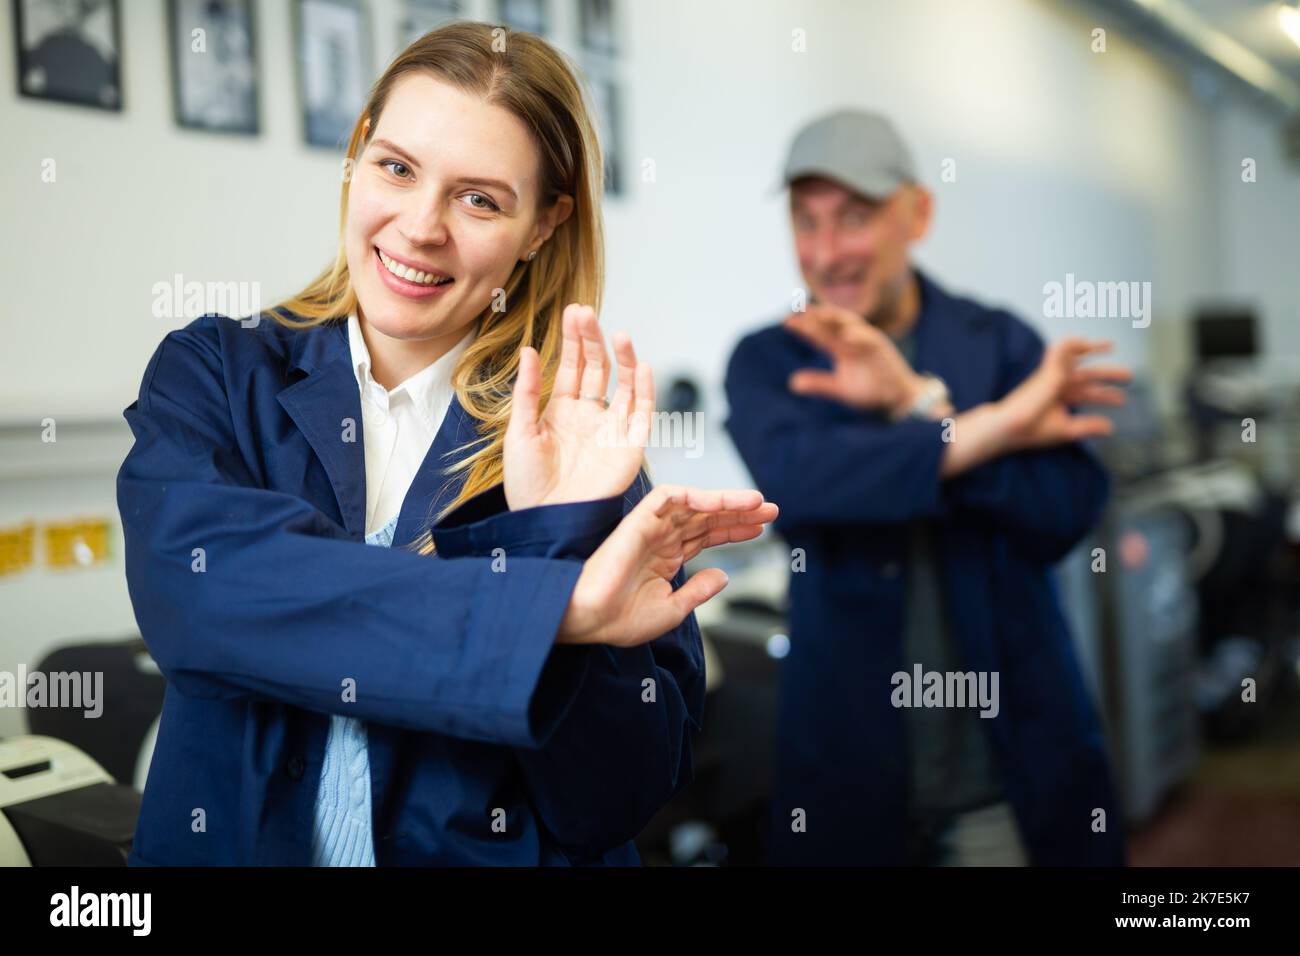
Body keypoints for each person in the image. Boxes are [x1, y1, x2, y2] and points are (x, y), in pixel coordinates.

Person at [117, 22, 776, 866]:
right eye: (396, 167)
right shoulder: (215, 371)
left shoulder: (577, 451)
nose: (420, 227)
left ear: (543, 226)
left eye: (480, 199)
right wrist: (558, 610)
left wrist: (561, 533)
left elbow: (613, 801)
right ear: (357, 155)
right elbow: (204, 601)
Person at [724, 109, 1130, 866]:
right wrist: (998, 428)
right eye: (806, 222)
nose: (827, 251)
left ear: (918, 213)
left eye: (855, 218)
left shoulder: (999, 342)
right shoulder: (768, 362)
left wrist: (921, 407)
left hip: (1003, 784)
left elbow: (1065, 512)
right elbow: (805, 483)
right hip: (850, 786)